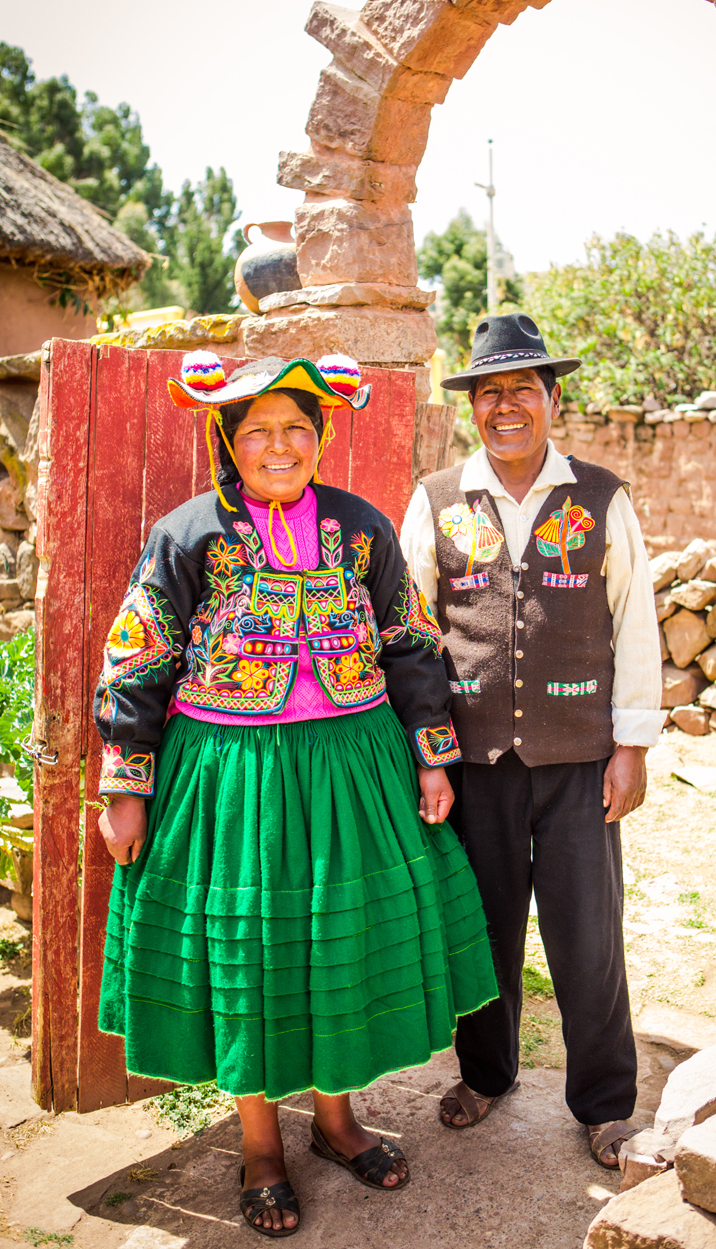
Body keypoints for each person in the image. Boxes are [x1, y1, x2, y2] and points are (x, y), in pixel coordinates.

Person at [95, 352, 497, 1238]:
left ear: (317, 440)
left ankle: (338, 1121)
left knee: (335, 940)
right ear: (227, 444)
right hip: (231, 776)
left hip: (353, 766)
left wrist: (432, 757)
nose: (280, 446)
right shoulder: (188, 533)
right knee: (253, 947)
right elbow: (139, 659)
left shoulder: (359, 529)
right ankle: (260, 1145)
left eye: (297, 430)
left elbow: (410, 642)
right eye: (258, 433)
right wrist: (126, 784)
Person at [400, 313, 666, 1169]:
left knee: (589, 937)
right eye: (488, 393)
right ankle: (487, 1074)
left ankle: (604, 1103)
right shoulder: (438, 498)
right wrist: (428, 747)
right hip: (474, 765)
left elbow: (636, 626)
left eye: (521, 389)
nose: (505, 406)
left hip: (581, 759)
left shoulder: (601, 496)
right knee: (484, 927)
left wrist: (632, 746)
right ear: (472, 407)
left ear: (552, 398)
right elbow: (412, 631)